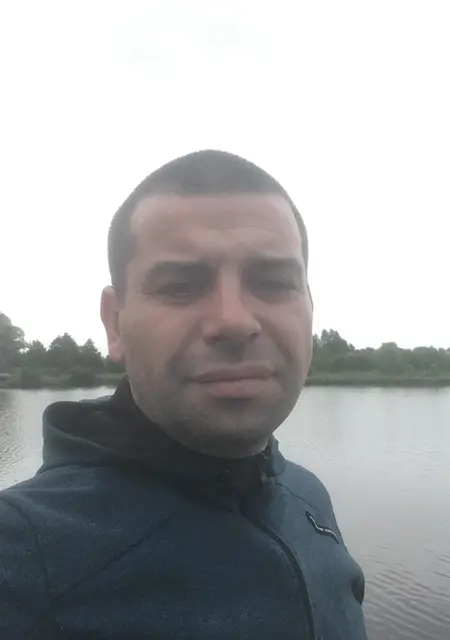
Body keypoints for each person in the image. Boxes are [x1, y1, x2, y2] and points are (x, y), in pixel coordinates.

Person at [0, 150, 368, 639]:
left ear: (309, 307)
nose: (233, 321)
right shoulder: (20, 553)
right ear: (115, 324)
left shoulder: (307, 494)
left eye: (274, 282)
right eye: (180, 286)